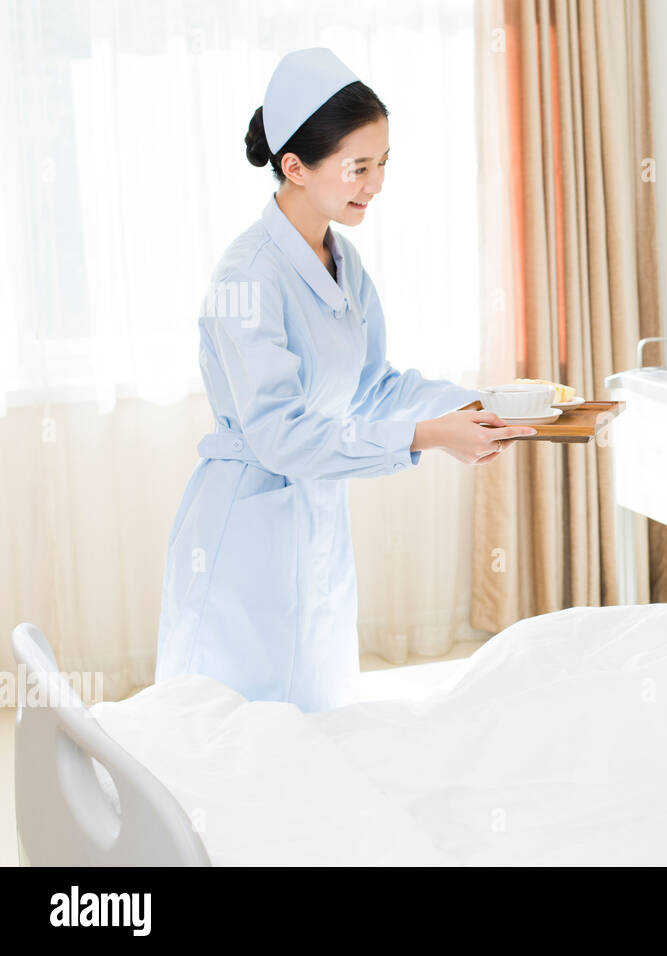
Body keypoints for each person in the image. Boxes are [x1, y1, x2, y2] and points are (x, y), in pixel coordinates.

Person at [156, 48, 535, 712]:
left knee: (315, 722)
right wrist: (426, 435)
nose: (376, 183)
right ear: (295, 168)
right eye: (359, 167)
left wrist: (484, 406)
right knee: (233, 735)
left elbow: (375, 386)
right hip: (246, 523)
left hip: (316, 518)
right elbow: (279, 435)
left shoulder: (341, 259)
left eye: (383, 163)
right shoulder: (249, 274)